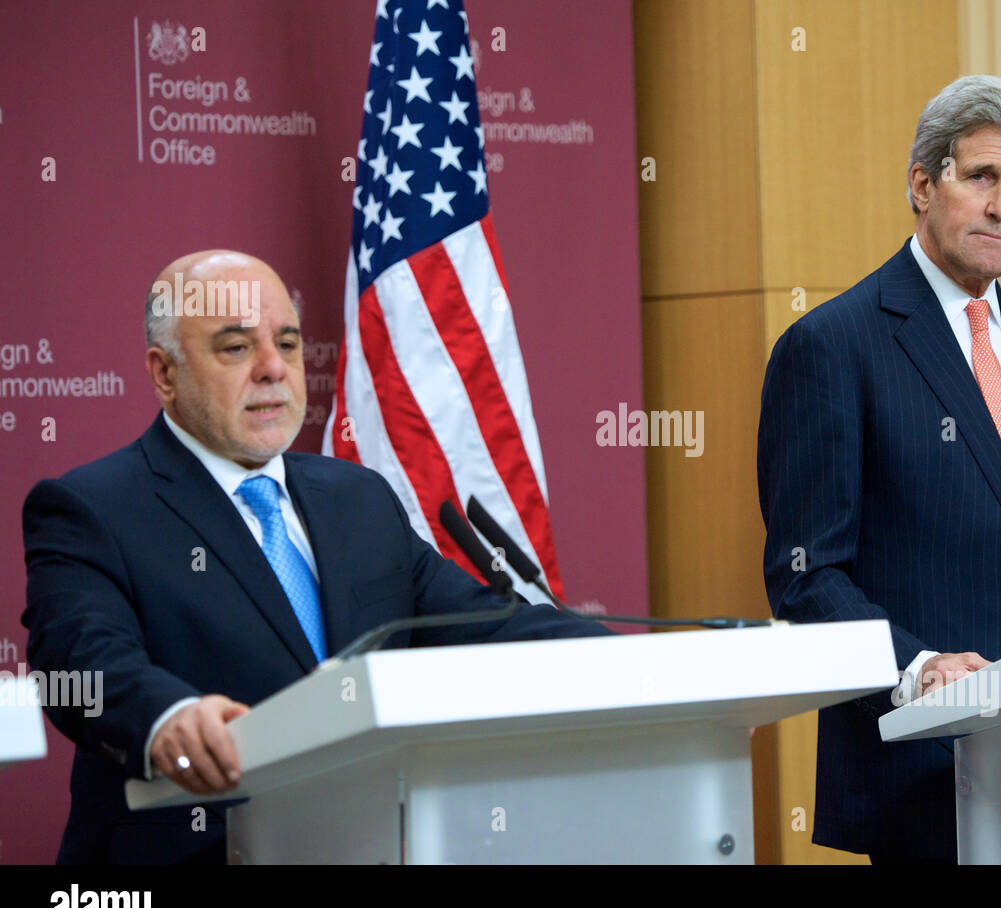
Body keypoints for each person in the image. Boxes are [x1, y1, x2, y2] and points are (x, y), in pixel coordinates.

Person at [22, 249, 608, 864]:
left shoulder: (356, 497)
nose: (274, 369)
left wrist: (645, 661)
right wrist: (168, 718)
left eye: (289, 343)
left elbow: (483, 624)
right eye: (235, 348)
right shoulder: (93, 508)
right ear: (165, 373)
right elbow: (79, 659)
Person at [757, 75, 1001, 864]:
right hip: (926, 770)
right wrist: (918, 666)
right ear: (923, 184)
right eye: (982, 177)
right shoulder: (834, 345)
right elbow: (806, 573)